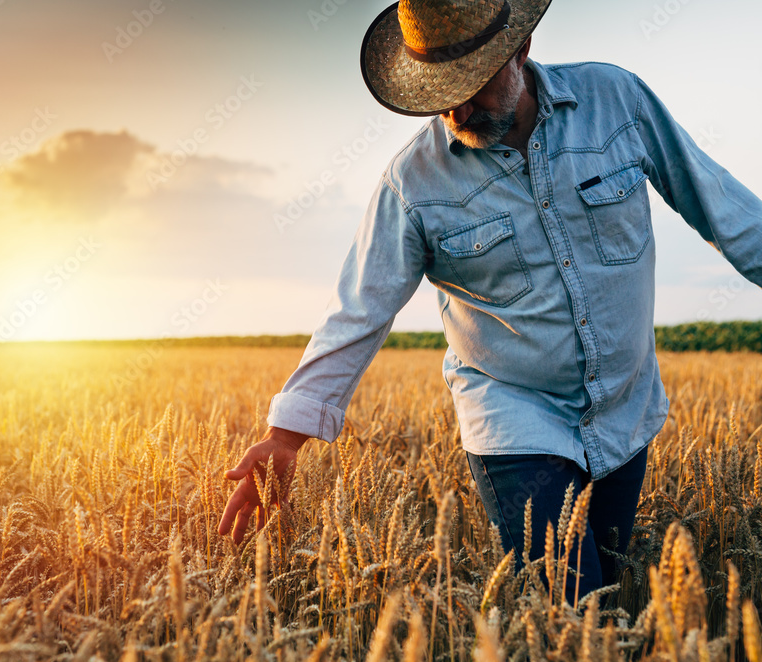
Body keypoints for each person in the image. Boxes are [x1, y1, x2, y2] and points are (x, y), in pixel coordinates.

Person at [218, 0, 762, 602]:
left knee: (607, 598)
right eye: (437, 92)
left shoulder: (618, 102)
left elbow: (721, 205)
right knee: (572, 605)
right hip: (513, 418)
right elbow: (359, 308)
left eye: (472, 86)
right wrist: (286, 437)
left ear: (520, 51)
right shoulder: (414, 182)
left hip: (624, 414)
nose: (458, 108)